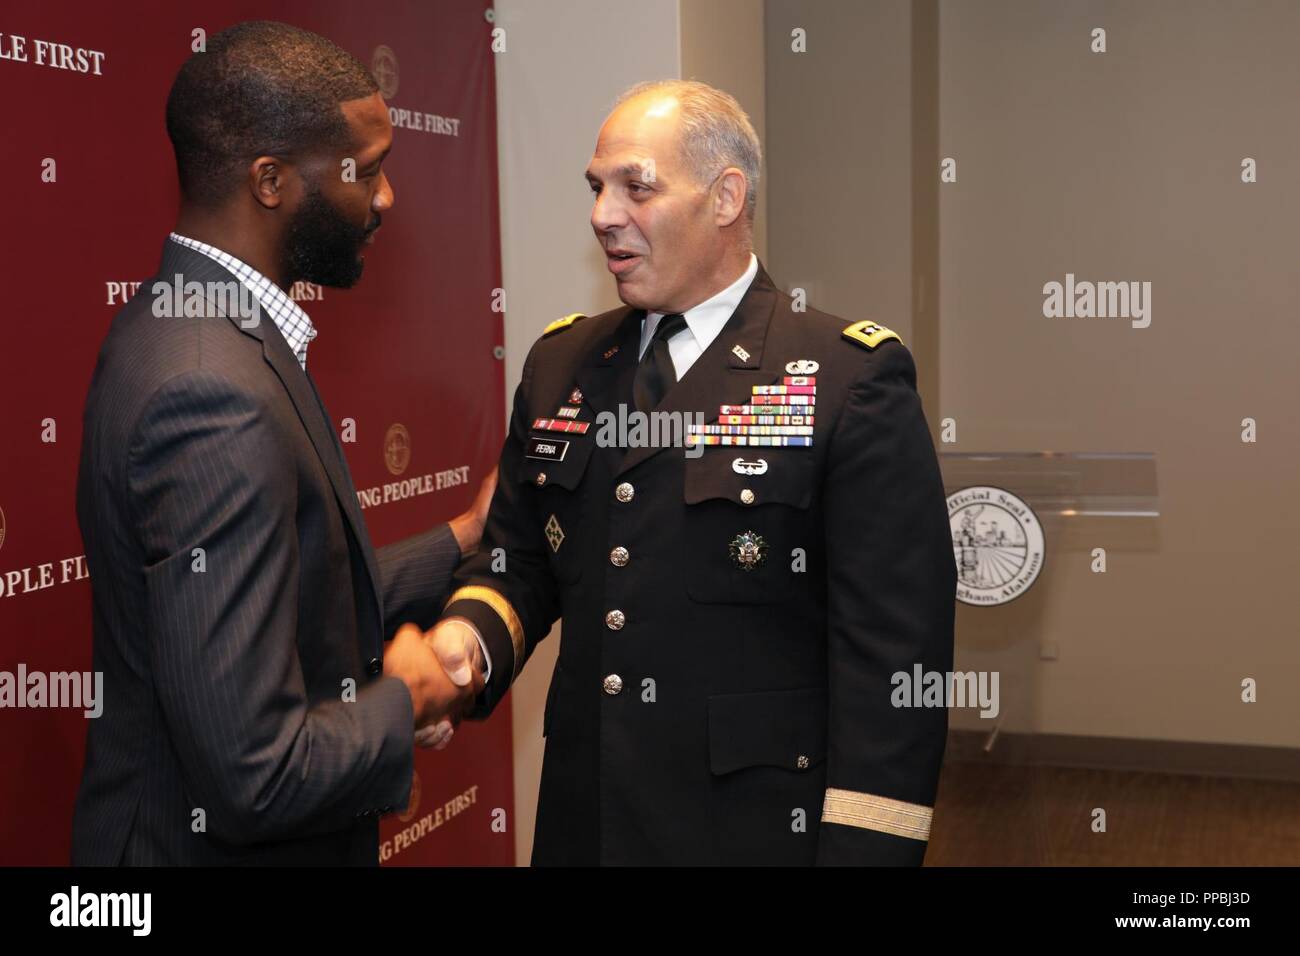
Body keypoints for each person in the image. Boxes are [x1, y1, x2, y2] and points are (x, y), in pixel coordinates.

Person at [425, 80, 956, 865]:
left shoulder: (843, 378)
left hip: (752, 831)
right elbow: (521, 559)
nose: (603, 214)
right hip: (586, 820)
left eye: (636, 187)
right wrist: (470, 642)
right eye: (597, 187)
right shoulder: (562, 363)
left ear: (725, 197)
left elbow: (894, 661)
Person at [73, 21, 488, 866]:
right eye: (364, 172)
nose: (385, 198)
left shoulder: (190, 323)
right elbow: (254, 773)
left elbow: (289, 588)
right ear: (269, 181)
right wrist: (404, 698)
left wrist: (464, 541)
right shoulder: (212, 386)